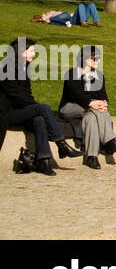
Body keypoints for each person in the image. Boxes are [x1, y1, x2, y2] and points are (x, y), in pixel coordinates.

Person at [1, 37, 81, 175]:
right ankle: (62, 145)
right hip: (7, 113)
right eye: (31, 51)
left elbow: (27, 94)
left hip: (20, 111)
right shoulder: (6, 68)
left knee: (40, 119)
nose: (33, 54)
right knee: (43, 108)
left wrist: (37, 108)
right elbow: (17, 96)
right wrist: (38, 107)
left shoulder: (24, 67)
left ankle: (43, 161)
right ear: (21, 52)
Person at [59, 45, 116, 169]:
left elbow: (103, 95)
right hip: (70, 107)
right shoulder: (72, 73)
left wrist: (104, 104)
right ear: (86, 59)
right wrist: (92, 103)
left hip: (90, 111)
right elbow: (75, 94)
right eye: (95, 58)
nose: (98, 61)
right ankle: (110, 140)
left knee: (92, 119)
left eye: (99, 58)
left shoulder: (98, 75)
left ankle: (92, 157)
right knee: (95, 111)